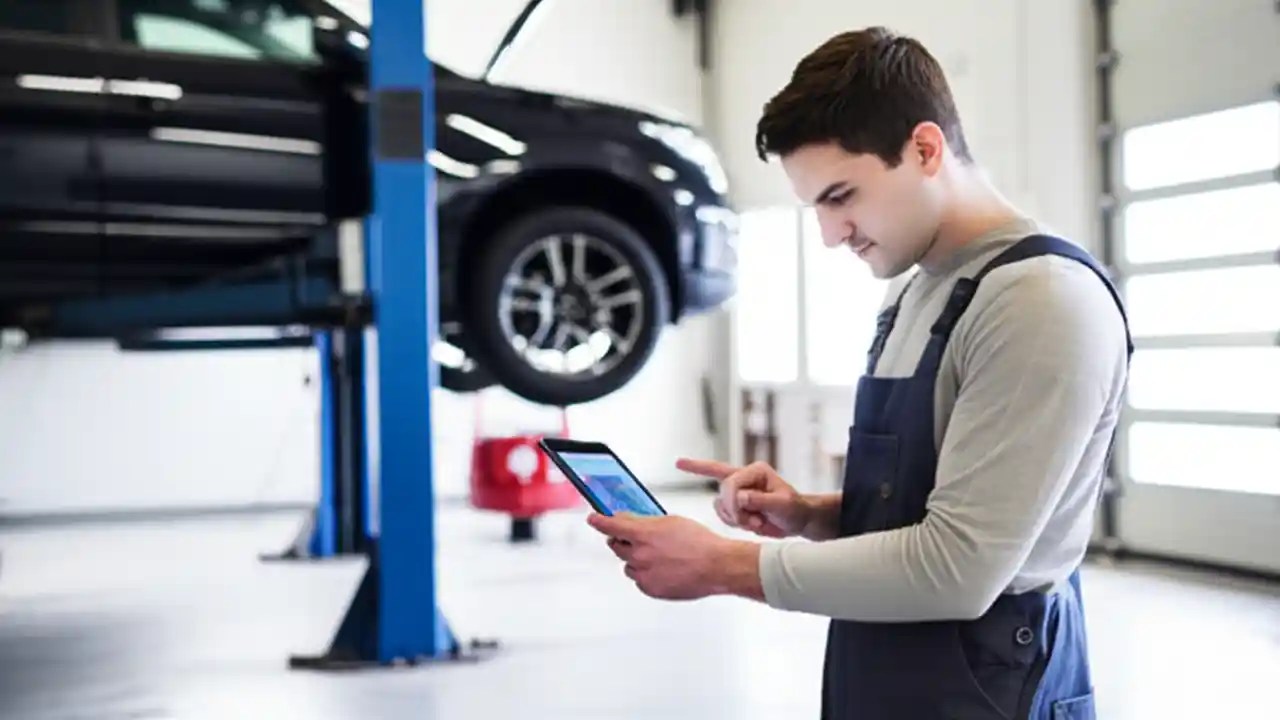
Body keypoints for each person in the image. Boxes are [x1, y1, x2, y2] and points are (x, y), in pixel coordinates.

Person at [585, 26, 1131, 720]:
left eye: (842, 196)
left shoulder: (1040, 300)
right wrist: (810, 514)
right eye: (815, 205)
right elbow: (934, 504)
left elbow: (960, 566)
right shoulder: (914, 289)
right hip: (888, 675)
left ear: (926, 149)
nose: (829, 233)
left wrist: (723, 564)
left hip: (990, 691)